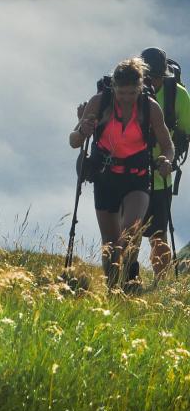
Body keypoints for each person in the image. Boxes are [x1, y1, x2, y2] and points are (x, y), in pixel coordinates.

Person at [70, 57, 173, 291]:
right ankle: (113, 290)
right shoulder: (100, 102)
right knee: (110, 244)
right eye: (122, 93)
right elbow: (74, 141)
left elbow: (167, 145)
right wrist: (83, 130)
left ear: (140, 87)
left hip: (137, 178)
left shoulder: (150, 107)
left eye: (132, 93)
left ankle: (129, 280)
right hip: (105, 177)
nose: (126, 98)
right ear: (113, 87)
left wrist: (167, 159)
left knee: (130, 232)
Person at [136, 47, 190, 280]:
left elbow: (187, 131)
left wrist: (171, 154)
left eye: (157, 77)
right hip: (130, 171)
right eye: (148, 76)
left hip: (161, 173)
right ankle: (127, 279)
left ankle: (162, 281)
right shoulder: (129, 91)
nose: (153, 81)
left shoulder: (178, 95)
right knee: (129, 229)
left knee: (158, 234)